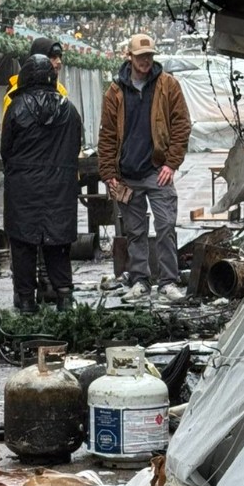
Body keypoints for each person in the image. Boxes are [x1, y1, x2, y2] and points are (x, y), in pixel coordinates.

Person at [98, 33, 192, 302]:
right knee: (135, 231)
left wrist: (172, 163)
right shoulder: (115, 92)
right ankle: (140, 281)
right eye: (140, 57)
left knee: (165, 227)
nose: (145, 61)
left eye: (149, 56)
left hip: (156, 170)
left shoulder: (167, 85)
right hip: (127, 174)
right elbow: (106, 136)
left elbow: (181, 125)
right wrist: (108, 174)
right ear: (129, 57)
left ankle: (168, 282)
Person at [1, 54, 83, 314]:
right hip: (60, 188)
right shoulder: (69, 110)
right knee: (57, 244)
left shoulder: (16, 108)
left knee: (24, 245)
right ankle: (64, 296)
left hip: (23, 190)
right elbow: (74, 148)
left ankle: (26, 300)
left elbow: (6, 151)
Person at [3, 37, 69, 113]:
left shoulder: (61, 90)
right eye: (53, 57)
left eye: (59, 57)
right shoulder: (14, 95)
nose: (59, 61)